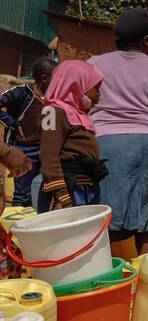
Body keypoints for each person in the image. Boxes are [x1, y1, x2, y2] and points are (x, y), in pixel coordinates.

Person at [88, 8, 148, 254]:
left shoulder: (94, 64)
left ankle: (99, 278)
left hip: (99, 142)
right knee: (146, 220)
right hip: (145, 144)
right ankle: (144, 282)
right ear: (147, 40)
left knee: (99, 214)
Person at [37, 60, 106, 211]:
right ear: (77, 85)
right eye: (96, 88)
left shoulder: (78, 114)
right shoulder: (54, 112)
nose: (99, 94)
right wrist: (63, 196)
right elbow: (49, 157)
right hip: (68, 191)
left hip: (86, 188)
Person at [0, 57, 55, 206]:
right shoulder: (21, 93)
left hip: (47, 150)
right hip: (24, 149)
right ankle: (17, 227)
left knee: (45, 191)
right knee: (22, 195)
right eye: (55, 77)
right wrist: (12, 123)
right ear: (44, 78)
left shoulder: (55, 97)